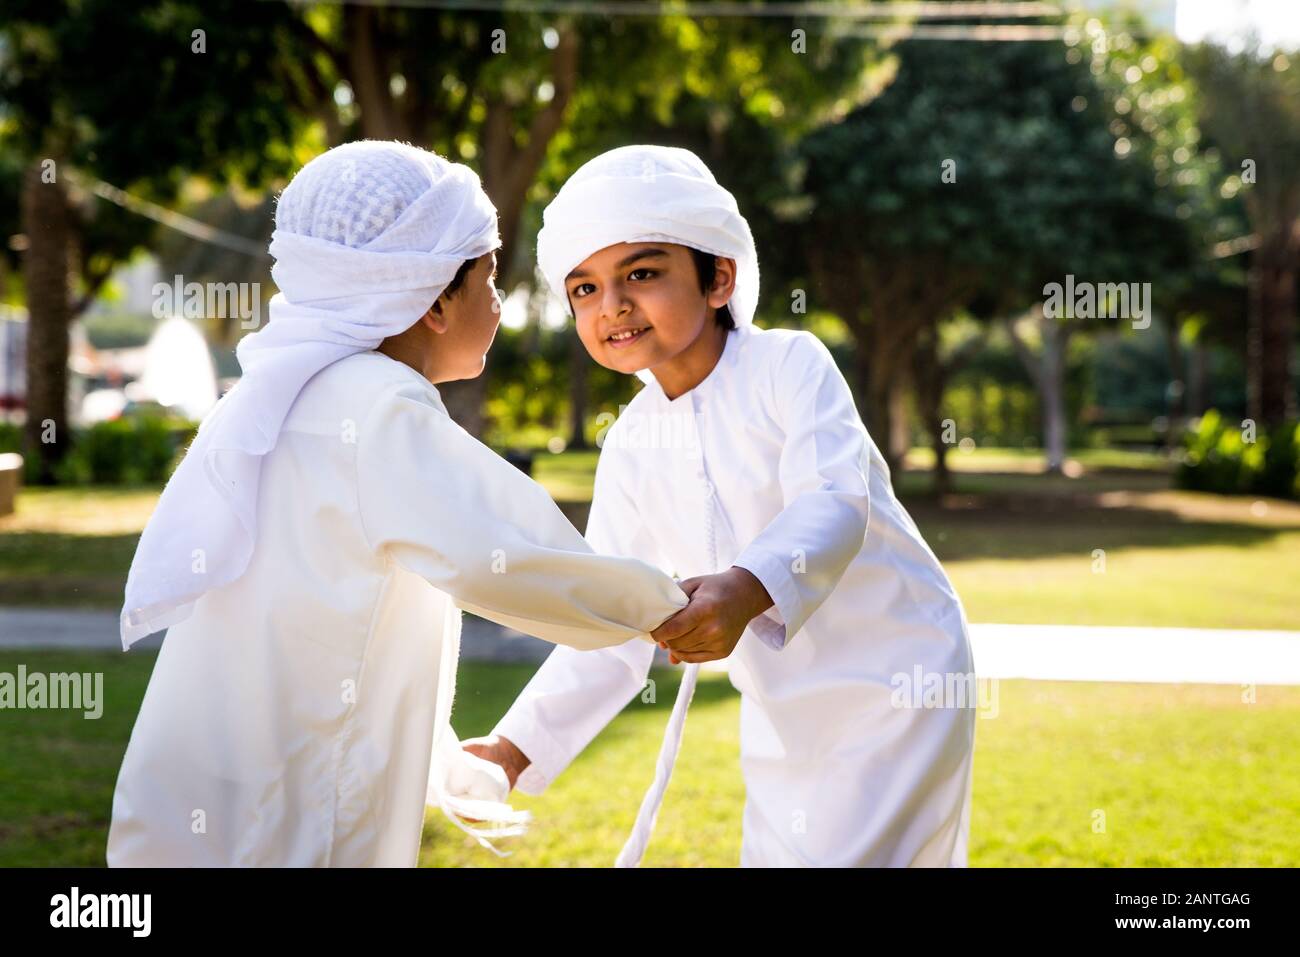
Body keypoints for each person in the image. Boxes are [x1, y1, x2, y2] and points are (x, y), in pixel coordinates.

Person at [107, 141, 688, 867]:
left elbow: (324, 627)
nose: (501, 304)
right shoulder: (379, 405)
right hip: (291, 834)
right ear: (437, 299)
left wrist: (447, 762)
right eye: (490, 277)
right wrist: (669, 606)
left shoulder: (287, 400)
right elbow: (503, 553)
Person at [469, 144, 978, 867]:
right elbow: (613, 623)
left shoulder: (791, 365)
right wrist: (510, 752)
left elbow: (834, 501)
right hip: (780, 708)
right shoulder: (631, 444)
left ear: (719, 277)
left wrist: (744, 589)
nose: (611, 305)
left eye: (641, 273)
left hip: (897, 679)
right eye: (583, 289)